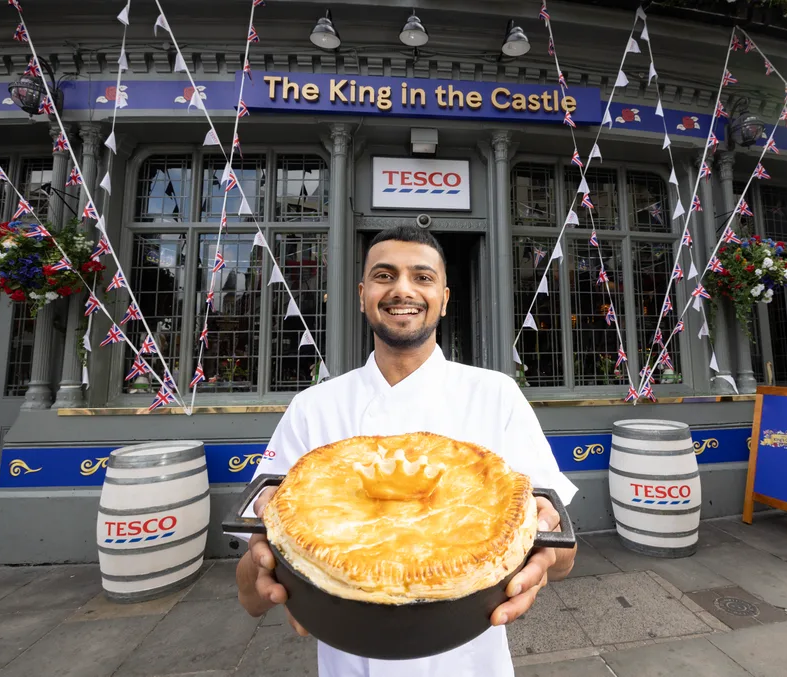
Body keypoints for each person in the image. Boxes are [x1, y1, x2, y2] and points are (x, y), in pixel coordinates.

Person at [235, 225, 578, 677]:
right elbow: (250, 589)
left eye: (422, 277)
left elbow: (562, 554)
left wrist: (544, 557)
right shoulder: (312, 408)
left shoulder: (496, 396)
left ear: (444, 296)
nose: (402, 289)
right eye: (384, 275)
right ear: (362, 295)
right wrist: (267, 572)